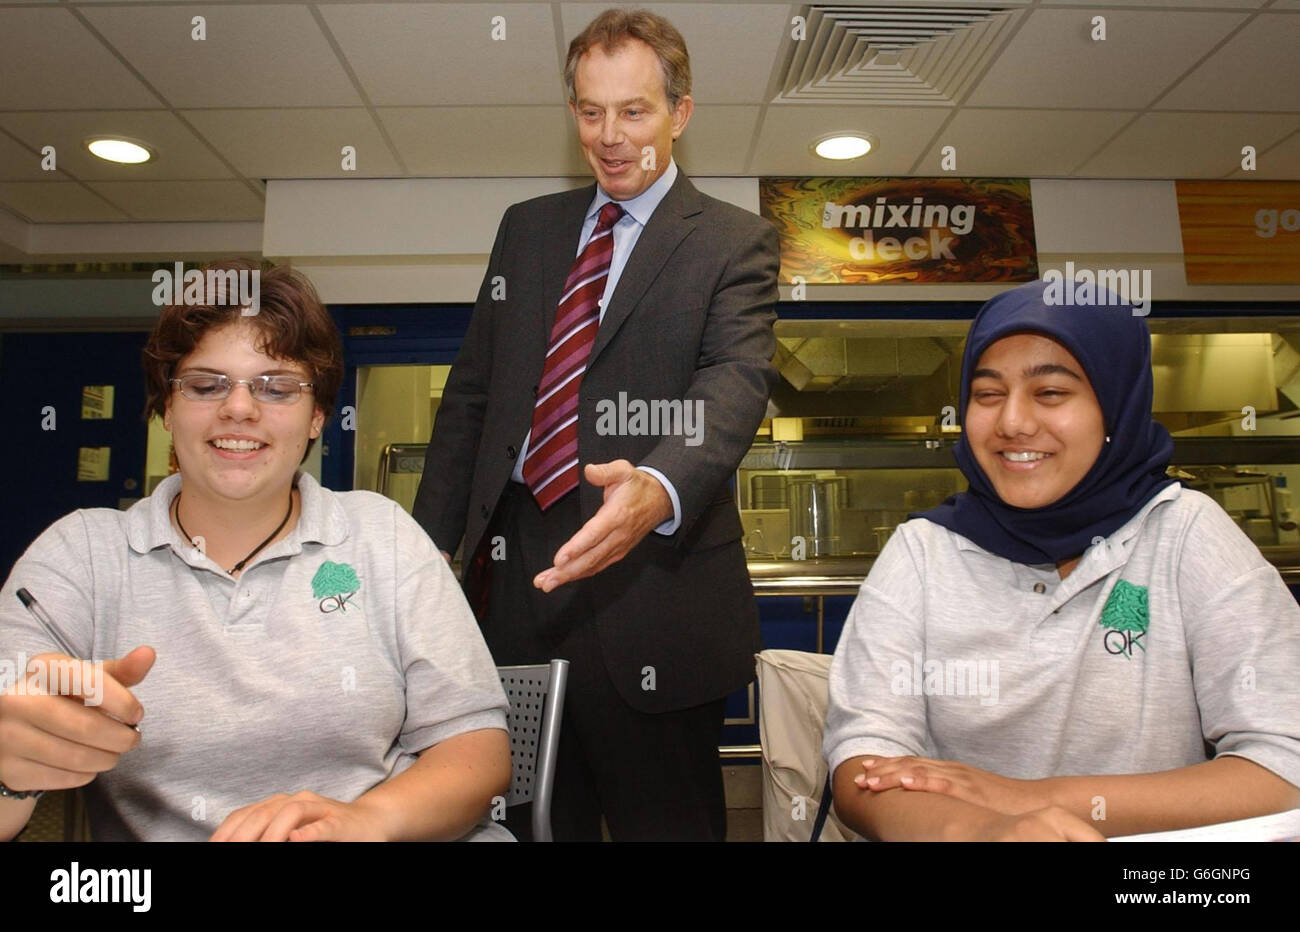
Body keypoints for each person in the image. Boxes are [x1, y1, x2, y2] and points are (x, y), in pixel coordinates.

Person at [412, 8, 779, 841]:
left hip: (654, 581)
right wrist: (429, 549)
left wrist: (658, 483)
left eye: (634, 111)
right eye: (589, 111)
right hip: (513, 584)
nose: (610, 136)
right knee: (527, 824)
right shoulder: (527, 230)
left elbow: (735, 380)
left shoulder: (733, 243)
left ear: (680, 113)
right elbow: (470, 396)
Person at [0, 260, 512, 842]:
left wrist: (363, 822)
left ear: (317, 414)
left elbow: (478, 751)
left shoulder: (384, 537)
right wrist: (11, 769)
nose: (240, 408)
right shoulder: (83, 554)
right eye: (205, 384)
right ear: (167, 409)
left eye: (277, 386)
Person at [824, 279, 1300, 841]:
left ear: (1115, 407)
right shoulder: (924, 551)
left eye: (1050, 393)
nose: (1013, 423)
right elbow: (864, 763)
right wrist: (981, 833)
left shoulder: (1185, 535)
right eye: (988, 393)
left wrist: (1034, 800)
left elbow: (1284, 767)